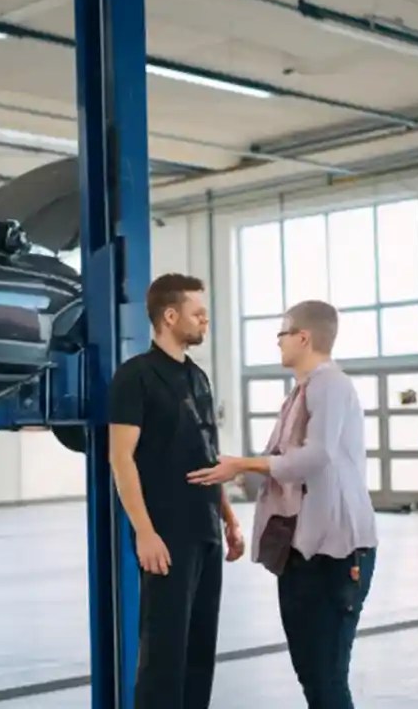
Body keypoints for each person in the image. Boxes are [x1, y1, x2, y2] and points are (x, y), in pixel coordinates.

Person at [188, 299, 378, 709]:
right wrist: (239, 470)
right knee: (313, 673)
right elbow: (288, 461)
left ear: (303, 337)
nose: (278, 343)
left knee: (325, 675)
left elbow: (316, 456)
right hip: (304, 550)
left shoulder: (329, 385)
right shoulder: (303, 392)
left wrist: (243, 463)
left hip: (335, 553)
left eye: (282, 334)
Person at [107, 272, 246, 709]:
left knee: (199, 650)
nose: (205, 321)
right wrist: (144, 532)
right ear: (170, 316)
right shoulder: (136, 377)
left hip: (205, 530)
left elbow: (208, 455)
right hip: (166, 534)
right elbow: (121, 458)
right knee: (164, 655)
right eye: (198, 313)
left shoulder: (199, 378)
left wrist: (229, 518)